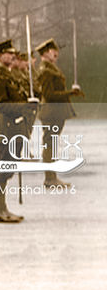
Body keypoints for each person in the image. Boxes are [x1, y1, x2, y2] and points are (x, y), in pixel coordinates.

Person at [0, 40, 31, 223]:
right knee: (1, 168)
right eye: (7, 53)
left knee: (8, 167)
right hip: (5, 125)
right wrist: (23, 106)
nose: (11, 56)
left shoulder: (8, 73)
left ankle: (3, 207)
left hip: (14, 125)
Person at [35, 38, 83, 187]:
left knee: (52, 144)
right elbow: (49, 95)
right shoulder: (46, 70)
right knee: (50, 144)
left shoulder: (51, 68)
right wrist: (70, 93)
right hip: (51, 112)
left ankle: (52, 177)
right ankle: (50, 178)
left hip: (55, 112)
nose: (56, 53)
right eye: (52, 51)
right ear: (45, 53)